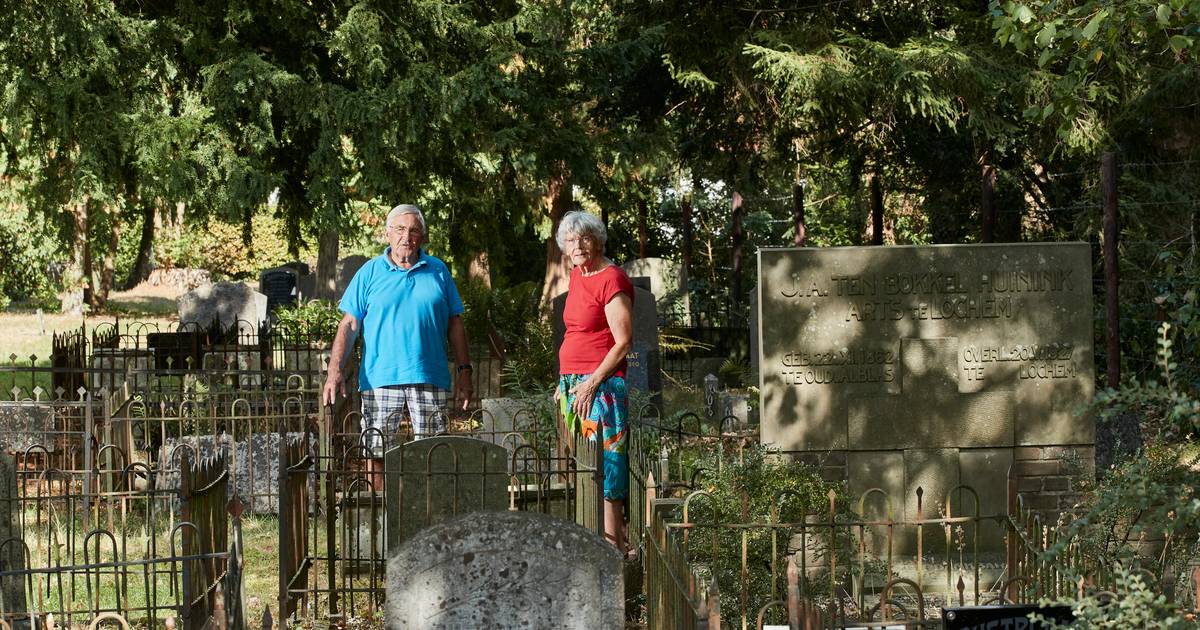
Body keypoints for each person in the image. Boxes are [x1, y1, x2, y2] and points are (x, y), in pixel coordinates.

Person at [322, 204, 473, 490]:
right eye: (400, 229)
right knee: (377, 452)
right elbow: (349, 323)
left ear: (423, 237)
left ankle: (431, 512)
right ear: (387, 234)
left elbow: (455, 323)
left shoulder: (438, 270)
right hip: (380, 377)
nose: (407, 236)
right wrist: (334, 370)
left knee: (434, 453)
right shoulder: (369, 272)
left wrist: (465, 371)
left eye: (414, 231)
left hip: (429, 375)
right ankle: (380, 510)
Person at [555, 209, 635, 558]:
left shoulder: (611, 280)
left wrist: (590, 383)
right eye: (570, 240)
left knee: (607, 467)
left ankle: (613, 548)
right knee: (586, 465)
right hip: (574, 383)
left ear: (598, 241)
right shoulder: (577, 275)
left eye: (584, 238)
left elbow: (624, 342)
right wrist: (564, 381)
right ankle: (602, 541)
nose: (577, 245)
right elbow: (576, 331)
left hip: (600, 387)